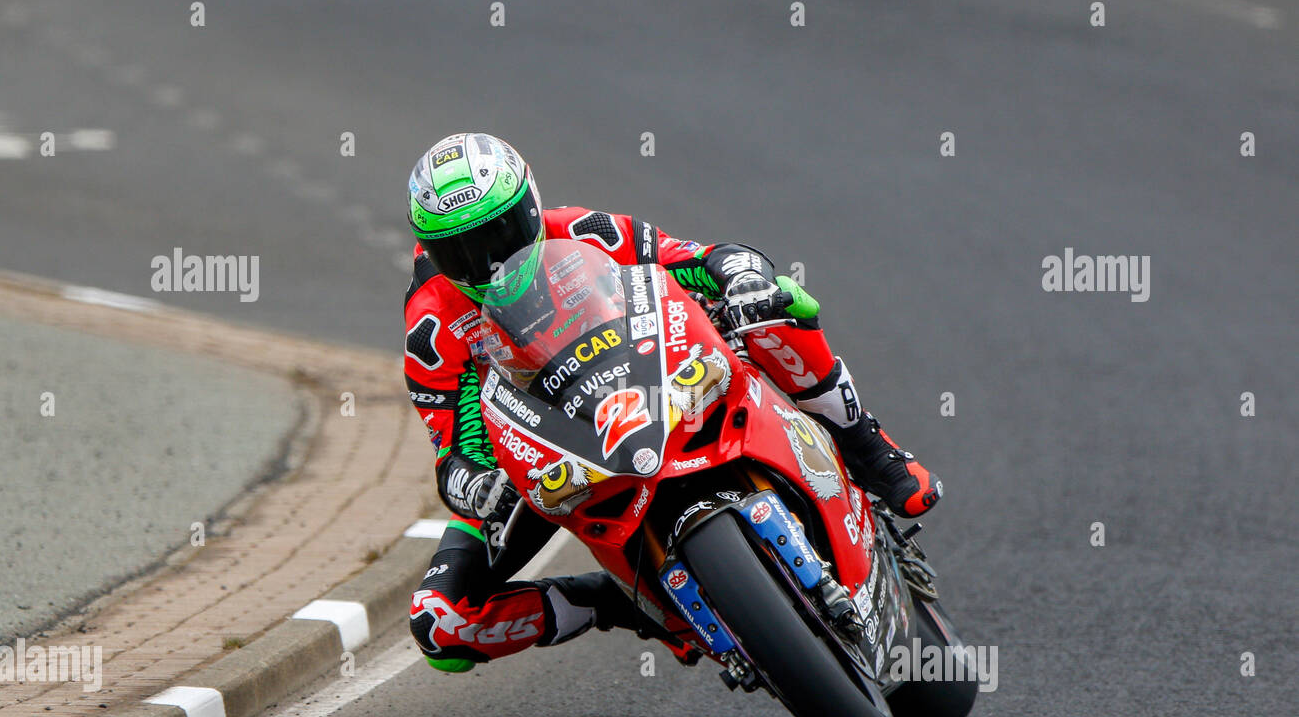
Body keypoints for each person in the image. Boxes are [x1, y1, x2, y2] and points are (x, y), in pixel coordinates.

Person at [403, 133, 941, 672]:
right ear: (432, 251)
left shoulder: (581, 230)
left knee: (778, 300)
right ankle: (617, 602)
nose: (492, 262)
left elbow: (695, 259)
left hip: (656, 381)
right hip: (549, 454)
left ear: (531, 206)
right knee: (439, 625)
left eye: (502, 234)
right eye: (464, 252)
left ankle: (864, 441)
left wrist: (739, 275)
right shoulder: (431, 324)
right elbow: (454, 446)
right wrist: (474, 484)